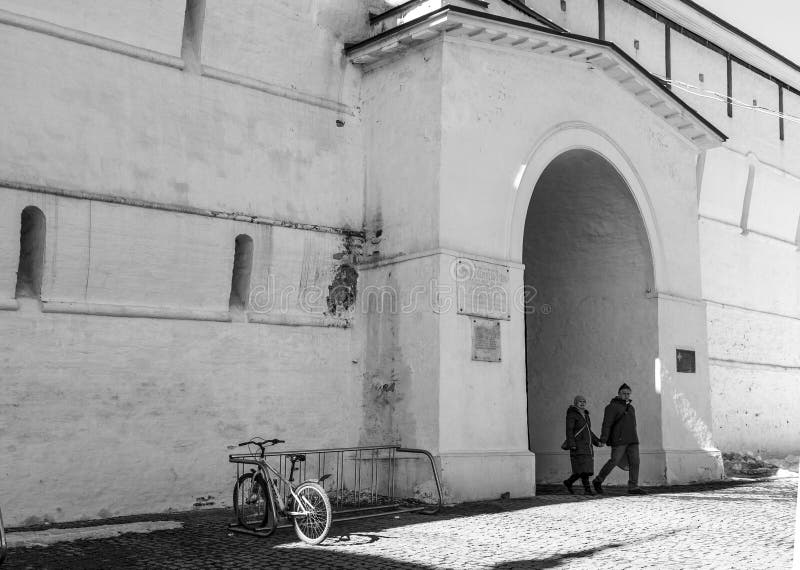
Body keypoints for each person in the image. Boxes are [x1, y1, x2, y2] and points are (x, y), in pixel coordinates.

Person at [593, 383, 646, 495]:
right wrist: (603, 438)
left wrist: (635, 436)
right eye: (624, 393)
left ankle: (633, 486)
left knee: (635, 462)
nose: (626, 396)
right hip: (619, 439)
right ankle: (598, 480)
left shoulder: (631, 408)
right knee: (614, 461)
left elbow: (633, 424)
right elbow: (606, 424)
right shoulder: (611, 407)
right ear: (618, 394)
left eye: (628, 393)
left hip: (632, 440)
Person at [563, 395, 603, 495]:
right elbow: (569, 431)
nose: (582, 403)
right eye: (580, 401)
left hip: (587, 446)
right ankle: (587, 490)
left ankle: (568, 482)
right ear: (575, 402)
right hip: (577, 445)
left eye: (584, 401)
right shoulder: (572, 414)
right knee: (583, 469)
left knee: (584, 470)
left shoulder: (586, 414)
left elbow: (588, 431)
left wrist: (597, 441)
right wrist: (572, 444)